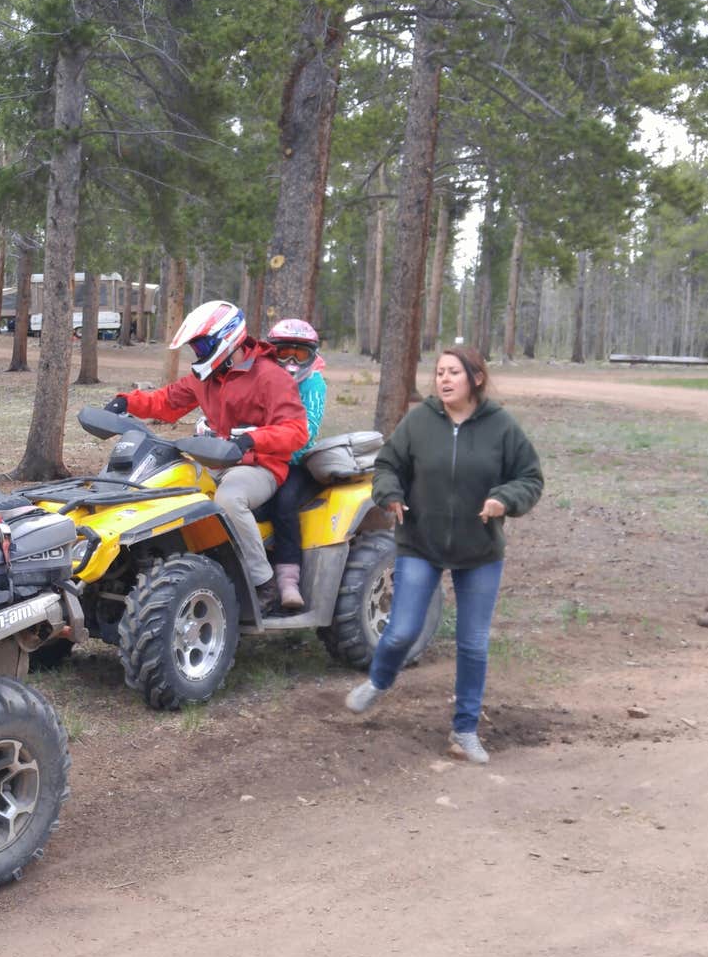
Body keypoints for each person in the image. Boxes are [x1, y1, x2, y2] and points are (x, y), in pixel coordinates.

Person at [344, 346, 543, 765]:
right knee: (400, 632)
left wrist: (505, 499)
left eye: (454, 372)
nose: (444, 380)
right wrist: (391, 495)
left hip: (480, 548)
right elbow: (386, 466)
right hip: (421, 542)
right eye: (439, 372)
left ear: (476, 379)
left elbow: (530, 477)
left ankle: (465, 730)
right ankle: (379, 682)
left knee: (473, 644)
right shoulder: (419, 421)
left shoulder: (501, 427)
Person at [105, 300, 308, 612]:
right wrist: (126, 402)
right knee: (165, 485)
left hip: (259, 465)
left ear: (227, 338)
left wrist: (252, 439)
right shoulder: (207, 377)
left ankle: (262, 583)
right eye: (195, 346)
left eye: (202, 344)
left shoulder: (271, 377)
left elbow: (296, 431)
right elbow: (166, 401)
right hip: (213, 459)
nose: (198, 352)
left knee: (229, 500)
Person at [261, 319, 327, 610]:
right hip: (257, 458)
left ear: (311, 356)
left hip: (296, 464)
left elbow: (307, 431)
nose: (290, 360)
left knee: (284, 503)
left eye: (299, 354)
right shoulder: (260, 378)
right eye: (284, 352)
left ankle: (288, 580)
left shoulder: (314, 383)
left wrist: (259, 437)